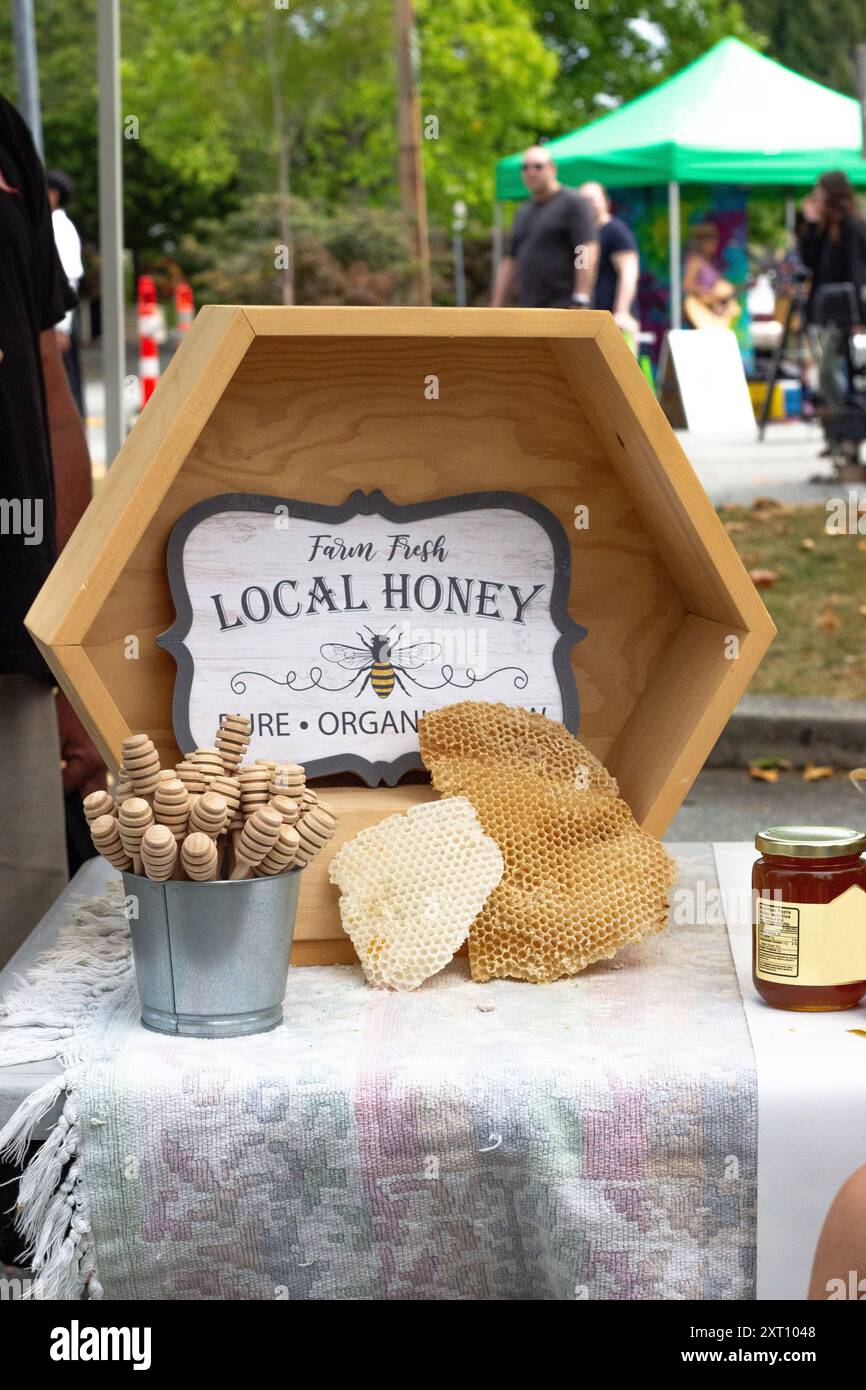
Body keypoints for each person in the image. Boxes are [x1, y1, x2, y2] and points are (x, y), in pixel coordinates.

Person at [0, 93, 94, 967]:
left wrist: (73, 648)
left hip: (9, 644)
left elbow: (48, 391)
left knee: (26, 958)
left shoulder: (3, 135)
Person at [491, 146, 597, 309]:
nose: (531, 172)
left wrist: (581, 296)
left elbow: (584, 248)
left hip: (565, 307)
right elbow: (510, 260)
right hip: (529, 307)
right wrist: (496, 305)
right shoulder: (523, 210)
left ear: (553, 169)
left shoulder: (574, 203)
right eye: (525, 167)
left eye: (538, 166)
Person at [798, 171, 866, 419]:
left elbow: (857, 269)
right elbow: (809, 262)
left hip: (845, 309)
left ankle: (842, 425)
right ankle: (838, 429)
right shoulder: (827, 227)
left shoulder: (852, 225)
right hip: (826, 308)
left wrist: (858, 313)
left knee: (830, 368)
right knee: (829, 368)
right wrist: (812, 223)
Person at [578, 182, 639, 338]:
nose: (587, 205)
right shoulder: (582, 238)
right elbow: (582, 273)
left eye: (591, 200)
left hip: (615, 325)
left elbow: (629, 273)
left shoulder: (615, 231)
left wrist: (621, 312)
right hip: (591, 323)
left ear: (606, 202)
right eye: (582, 201)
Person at [46, 168, 85, 415]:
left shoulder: (60, 227)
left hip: (61, 317)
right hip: (59, 316)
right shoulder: (52, 225)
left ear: (54, 194)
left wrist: (62, 327)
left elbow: (69, 277)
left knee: (65, 385)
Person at [682, 222, 738, 329]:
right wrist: (710, 293)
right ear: (702, 242)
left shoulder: (709, 262)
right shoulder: (695, 260)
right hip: (699, 309)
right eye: (712, 241)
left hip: (712, 310)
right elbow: (687, 285)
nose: (715, 244)